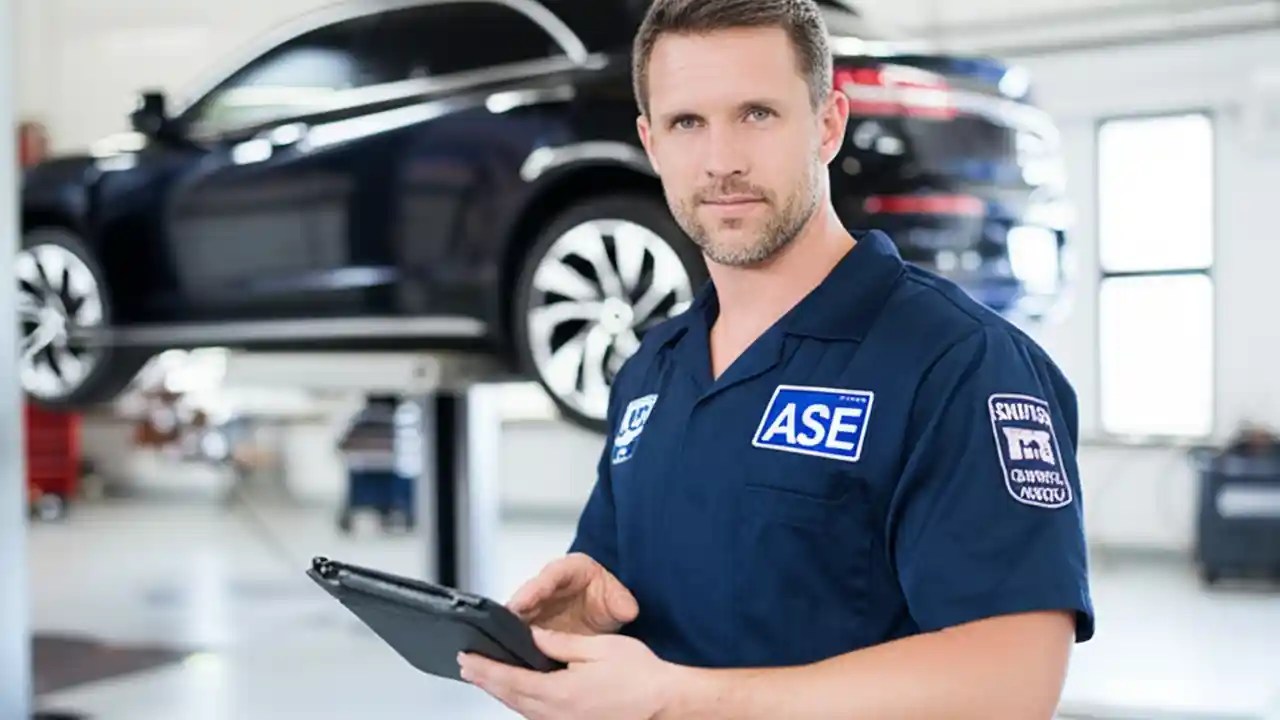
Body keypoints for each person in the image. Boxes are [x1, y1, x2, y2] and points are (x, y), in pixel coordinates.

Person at [458, 0, 1095, 717]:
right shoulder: (652, 370)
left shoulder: (961, 365)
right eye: (686, 123)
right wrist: (589, 616)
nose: (722, 160)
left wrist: (678, 700)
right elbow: (636, 594)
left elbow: (1010, 686)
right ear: (650, 140)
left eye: (757, 114)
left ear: (828, 124)